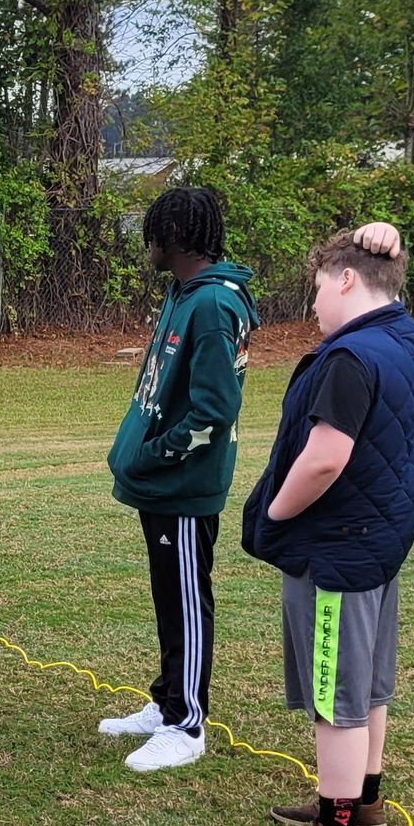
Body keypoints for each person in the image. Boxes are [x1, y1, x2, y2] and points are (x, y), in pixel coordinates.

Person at [241, 224, 414, 826]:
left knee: (336, 697)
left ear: (347, 280)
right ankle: (363, 800)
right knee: (366, 685)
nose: (314, 304)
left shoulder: (349, 359)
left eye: (318, 287)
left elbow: (324, 459)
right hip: (378, 546)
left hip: (337, 552)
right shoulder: (406, 337)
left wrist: (275, 510)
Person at [97, 187, 260, 773]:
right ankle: (166, 700)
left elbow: (213, 412)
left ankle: (187, 724)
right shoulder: (182, 293)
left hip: (183, 485)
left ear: (171, 238)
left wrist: (151, 456)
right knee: (169, 596)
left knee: (188, 600)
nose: (144, 247)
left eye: (150, 235)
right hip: (159, 483)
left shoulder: (215, 306)